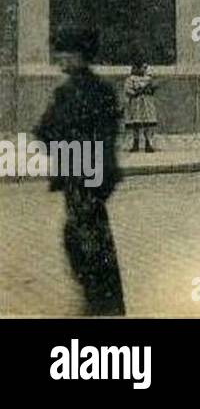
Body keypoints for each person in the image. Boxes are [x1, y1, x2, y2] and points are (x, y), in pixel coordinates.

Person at [35, 27, 125, 315]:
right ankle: (103, 303)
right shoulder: (83, 90)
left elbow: (49, 131)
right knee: (86, 238)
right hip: (86, 175)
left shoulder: (83, 92)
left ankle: (100, 304)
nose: (61, 58)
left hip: (84, 175)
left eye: (67, 52)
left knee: (84, 241)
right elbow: (46, 130)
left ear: (80, 56)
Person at [121, 59, 158, 153]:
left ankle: (147, 143)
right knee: (135, 125)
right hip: (135, 105)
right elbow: (128, 90)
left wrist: (149, 89)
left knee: (147, 125)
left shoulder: (148, 79)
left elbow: (152, 90)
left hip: (146, 105)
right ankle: (135, 143)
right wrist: (135, 92)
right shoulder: (130, 79)